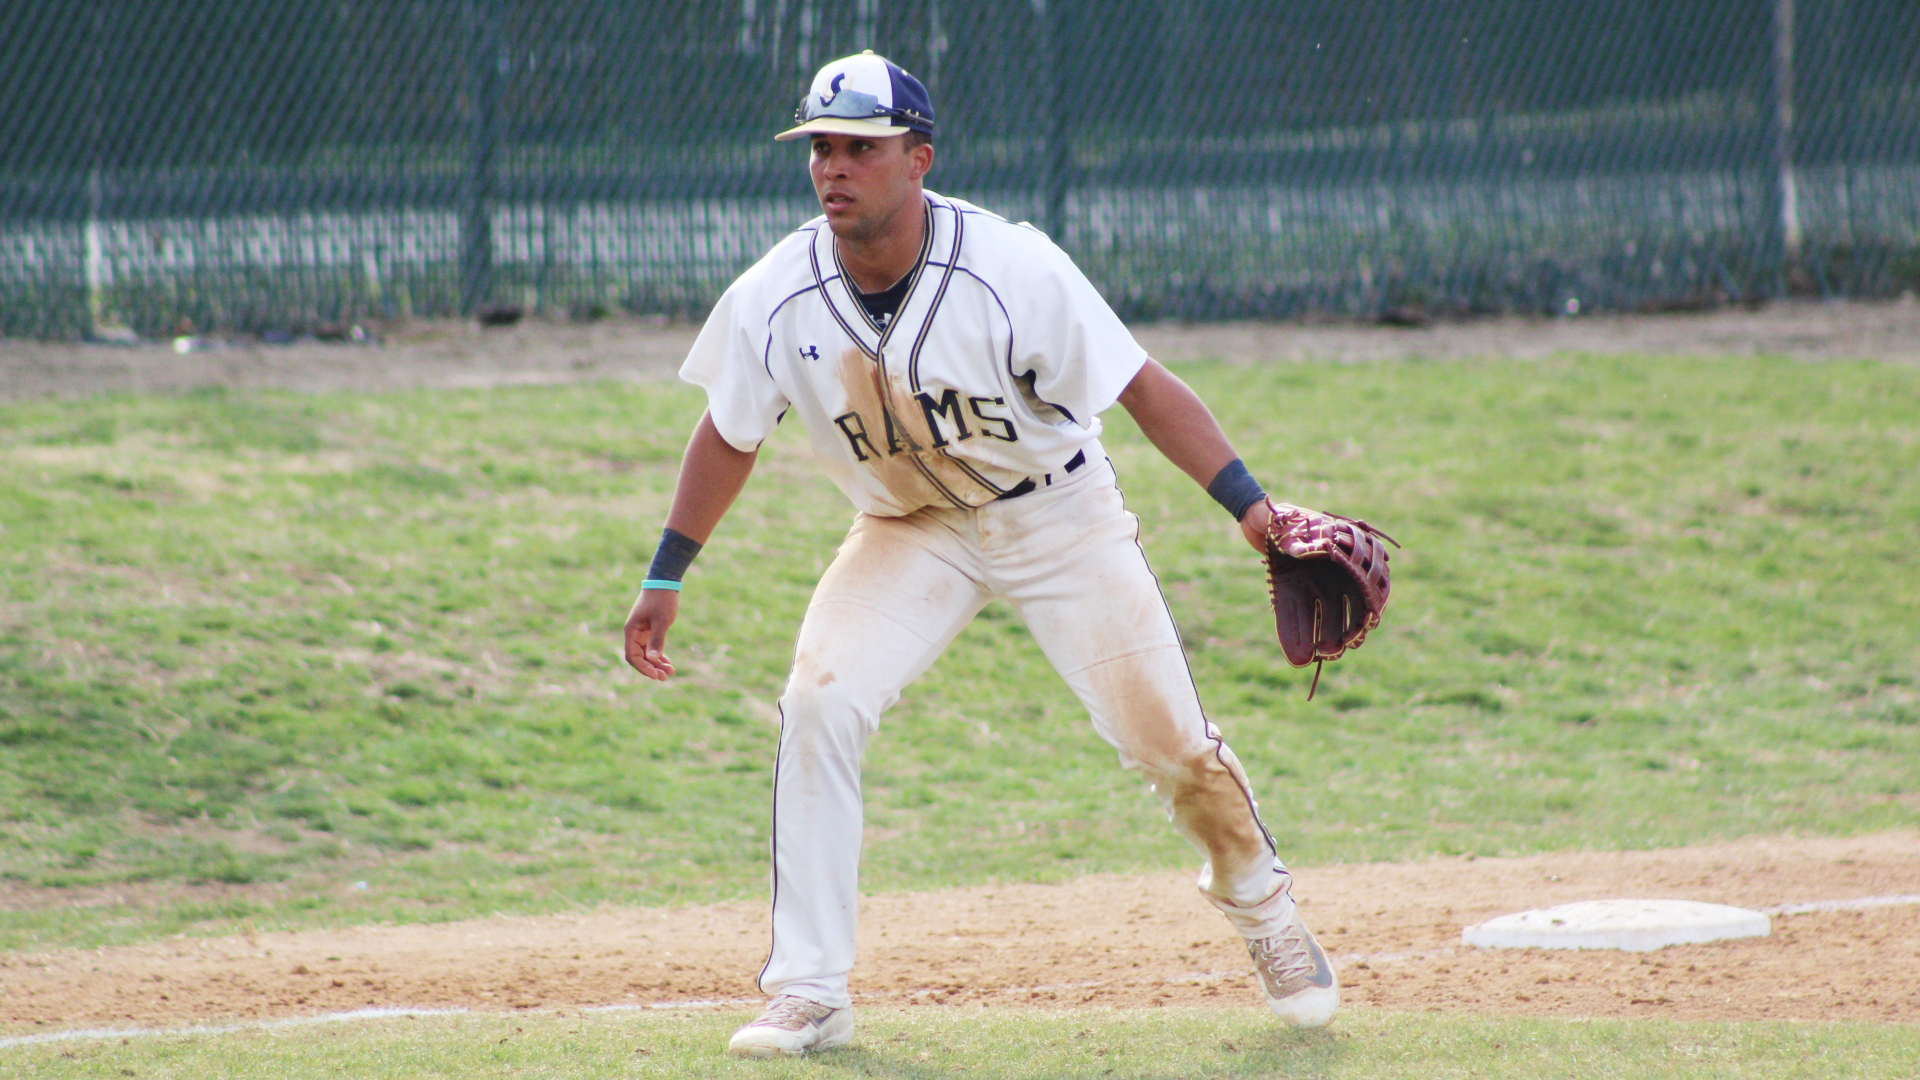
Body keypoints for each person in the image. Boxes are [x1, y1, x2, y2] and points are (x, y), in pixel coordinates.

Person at [622, 50, 1337, 1058]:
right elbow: (728, 432)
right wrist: (666, 573)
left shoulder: (1012, 267)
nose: (834, 167)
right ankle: (810, 990)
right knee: (820, 704)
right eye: (822, 147)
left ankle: (1267, 916)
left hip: (1059, 521)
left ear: (918, 159)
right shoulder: (775, 295)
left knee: (1169, 746)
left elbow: (1139, 385)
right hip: (908, 530)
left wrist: (1250, 508)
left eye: (860, 148)